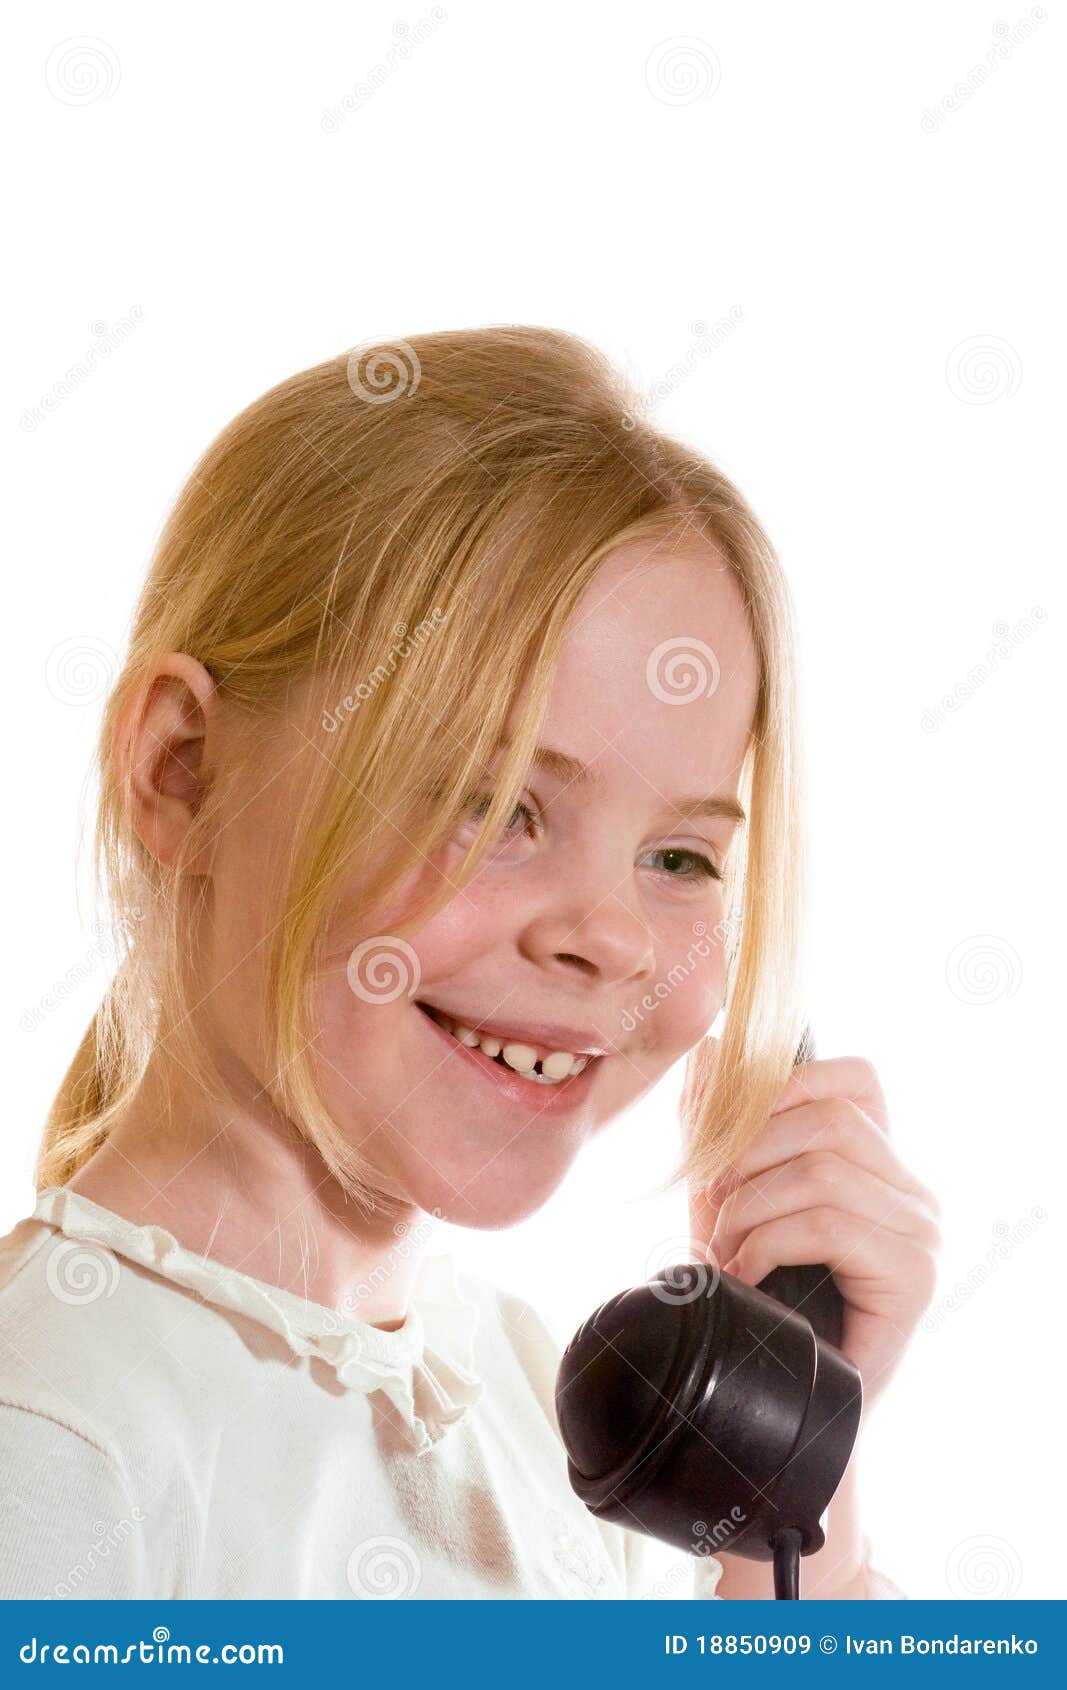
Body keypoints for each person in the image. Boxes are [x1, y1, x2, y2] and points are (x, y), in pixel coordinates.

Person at [0, 326, 937, 1599]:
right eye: (496, 807)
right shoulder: (52, 1441)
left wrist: (795, 1483)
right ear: (184, 771)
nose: (605, 937)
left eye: (679, 858)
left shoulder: (530, 1401)